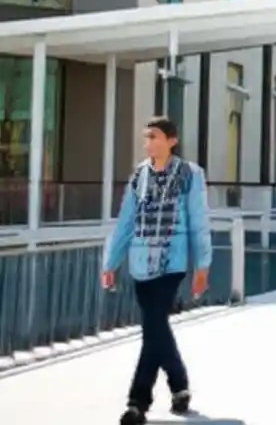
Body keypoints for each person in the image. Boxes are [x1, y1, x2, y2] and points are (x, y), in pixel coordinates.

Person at [103, 117, 212, 425]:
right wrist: (110, 262)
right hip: (140, 262)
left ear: (171, 140)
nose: (148, 142)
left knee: (153, 326)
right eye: (146, 137)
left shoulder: (190, 174)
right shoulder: (139, 175)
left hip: (172, 262)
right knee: (155, 329)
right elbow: (126, 221)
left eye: (154, 136)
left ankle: (137, 403)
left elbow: (198, 221)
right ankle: (179, 385)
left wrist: (202, 265)